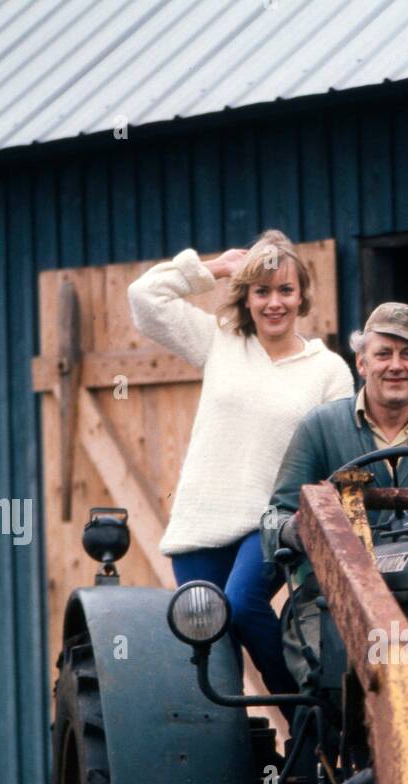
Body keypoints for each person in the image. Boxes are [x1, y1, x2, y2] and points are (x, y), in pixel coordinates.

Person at [128, 231, 353, 694]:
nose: (275, 303)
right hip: (201, 524)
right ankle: (251, 760)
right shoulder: (220, 342)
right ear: (247, 298)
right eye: (262, 290)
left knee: (243, 604)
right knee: (210, 646)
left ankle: (310, 720)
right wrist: (213, 268)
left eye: (285, 290)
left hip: (270, 522)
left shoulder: (328, 369)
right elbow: (144, 297)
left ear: (302, 296)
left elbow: (338, 454)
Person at [261, 301, 408, 687]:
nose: (396, 366)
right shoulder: (320, 427)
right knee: (335, 683)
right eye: (383, 354)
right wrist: (302, 528)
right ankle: (320, 745)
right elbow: (272, 519)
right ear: (361, 363)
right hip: (331, 600)